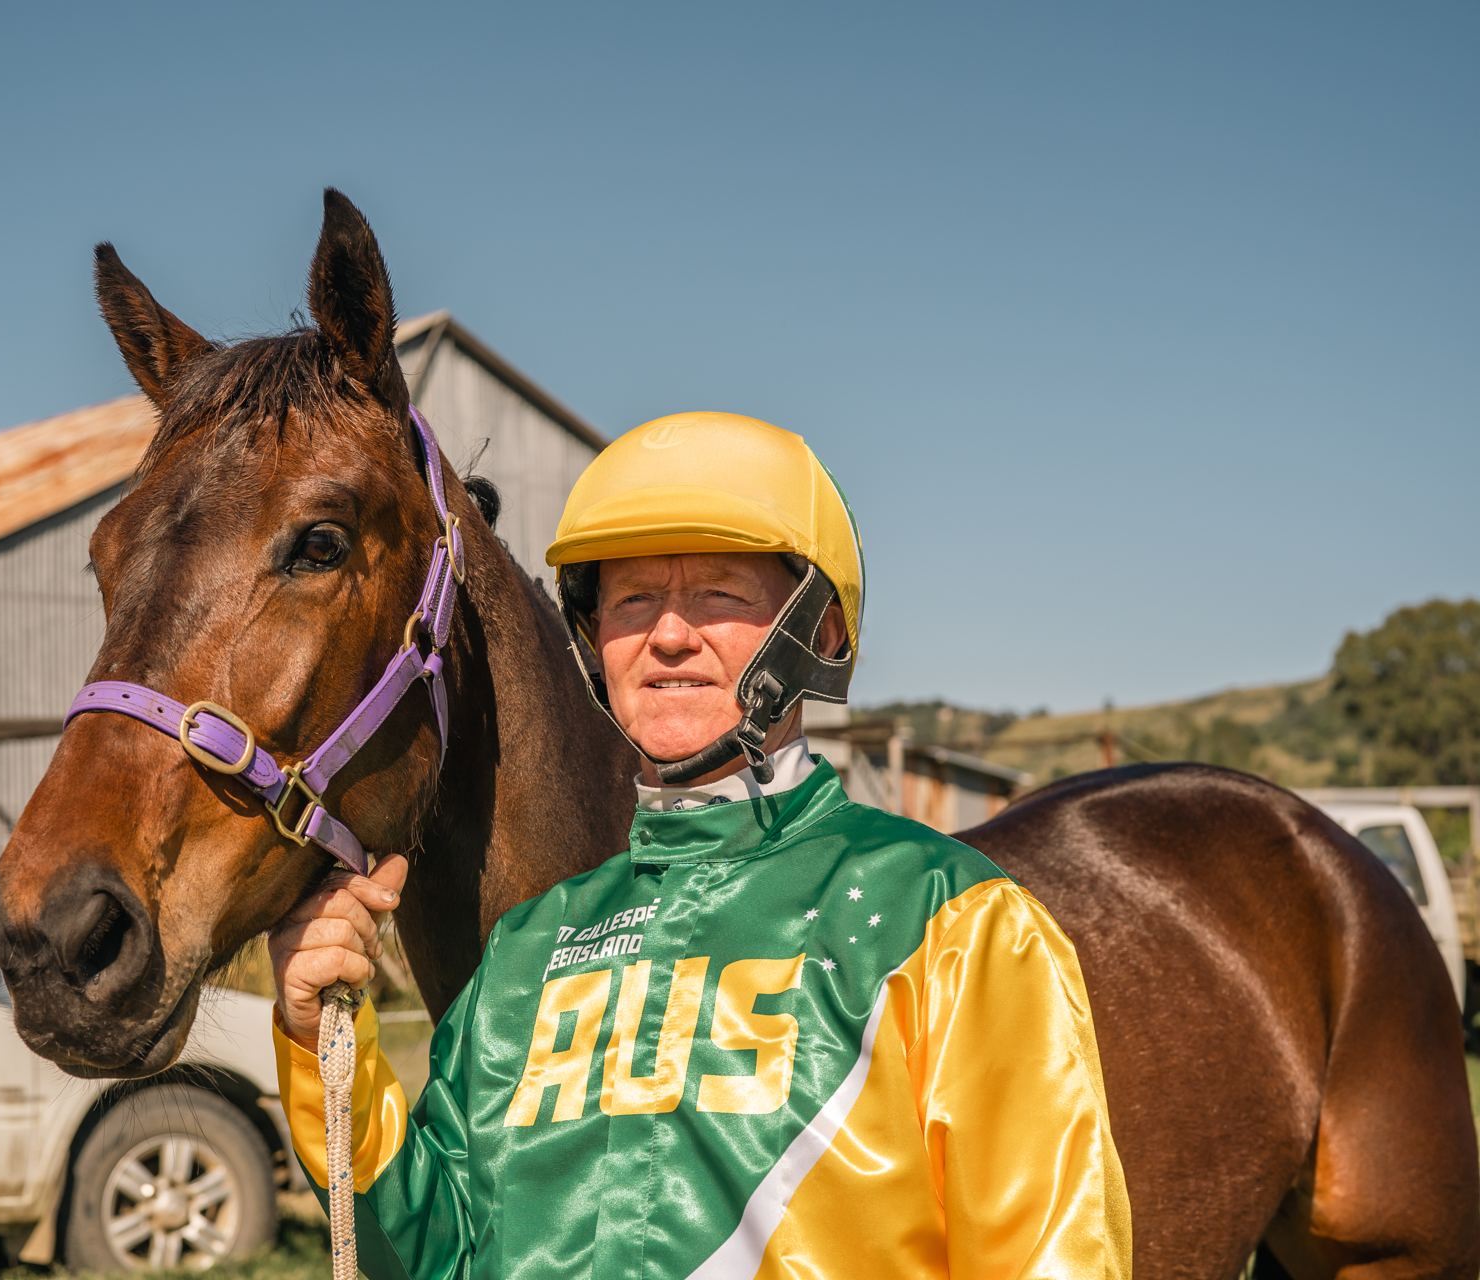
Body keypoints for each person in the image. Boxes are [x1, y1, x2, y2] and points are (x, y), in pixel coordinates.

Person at [269, 412, 1132, 1279]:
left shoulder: (953, 921)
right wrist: (322, 1046)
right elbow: (429, 1258)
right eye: (633, 600)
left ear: (820, 633)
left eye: (721, 594)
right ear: (593, 636)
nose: (670, 634)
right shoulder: (527, 949)